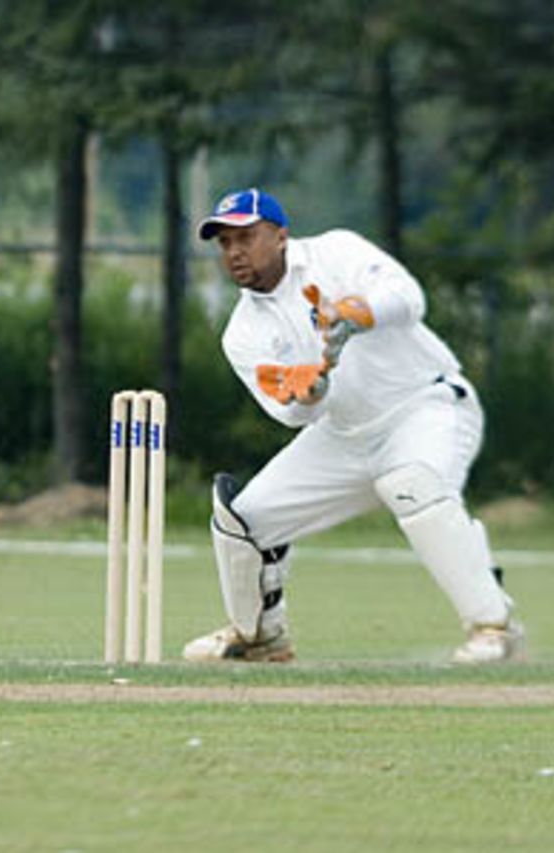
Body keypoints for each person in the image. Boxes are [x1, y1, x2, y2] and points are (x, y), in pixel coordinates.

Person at [184, 187, 522, 664]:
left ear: (280, 236)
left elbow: (409, 298)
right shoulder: (241, 331)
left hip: (425, 405)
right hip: (343, 434)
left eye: (246, 237)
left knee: (411, 483)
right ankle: (261, 636)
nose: (235, 252)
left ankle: (494, 626)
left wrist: (351, 315)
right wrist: (309, 395)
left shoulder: (335, 252)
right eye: (225, 243)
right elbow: (289, 414)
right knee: (244, 522)